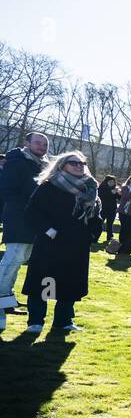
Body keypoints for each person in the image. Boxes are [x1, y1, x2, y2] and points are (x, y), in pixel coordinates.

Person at [21, 151, 102, 334]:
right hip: (51, 242)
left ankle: (63, 320)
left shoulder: (89, 188)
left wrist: (92, 235)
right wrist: (49, 231)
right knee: (44, 283)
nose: (79, 166)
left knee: (69, 283)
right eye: (74, 163)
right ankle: (36, 321)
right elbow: (32, 212)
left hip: (77, 245)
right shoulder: (49, 187)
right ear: (62, 165)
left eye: (82, 163)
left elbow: (95, 216)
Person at [0, 131, 49, 333]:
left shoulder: (43, 165)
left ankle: (7, 301)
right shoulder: (17, 162)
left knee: (20, 259)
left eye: (45, 144)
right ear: (27, 143)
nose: (42, 147)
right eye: (38, 143)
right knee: (12, 260)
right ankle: (1, 305)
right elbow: (7, 190)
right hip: (19, 218)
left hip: (33, 221)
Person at [97, 175, 120, 243]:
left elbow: (119, 198)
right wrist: (111, 193)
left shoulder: (115, 188)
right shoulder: (102, 187)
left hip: (112, 209)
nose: (112, 183)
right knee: (99, 223)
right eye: (110, 181)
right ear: (106, 181)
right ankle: (96, 236)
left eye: (113, 182)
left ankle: (109, 237)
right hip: (102, 208)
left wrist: (119, 193)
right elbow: (101, 196)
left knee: (110, 224)